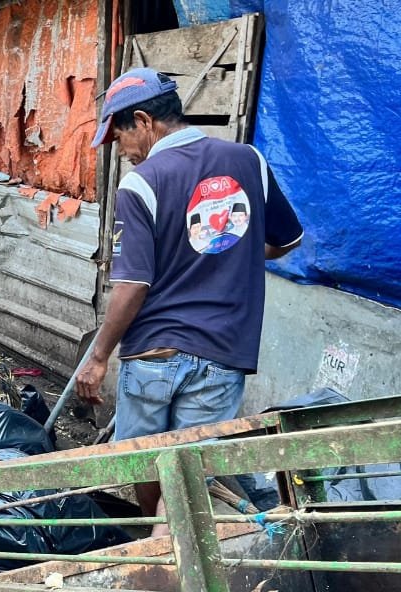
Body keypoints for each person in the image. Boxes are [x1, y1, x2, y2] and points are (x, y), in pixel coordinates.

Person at [76, 68, 303, 534]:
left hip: (153, 355)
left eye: (119, 138)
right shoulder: (249, 161)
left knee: (148, 468)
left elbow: (133, 284)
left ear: (143, 121)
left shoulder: (141, 184)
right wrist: (231, 249)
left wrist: (98, 357)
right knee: (189, 473)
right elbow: (287, 240)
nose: (123, 151)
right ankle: (172, 551)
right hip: (222, 354)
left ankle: (157, 553)